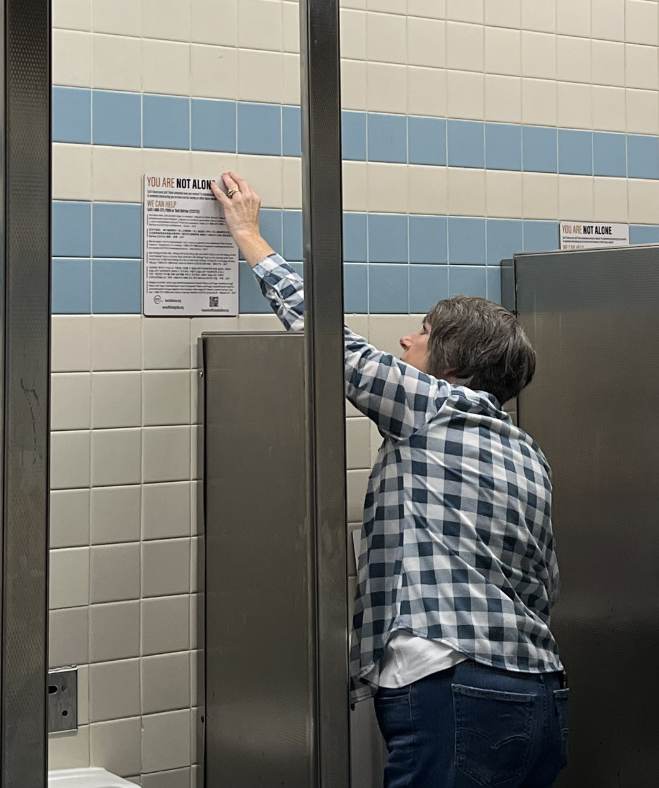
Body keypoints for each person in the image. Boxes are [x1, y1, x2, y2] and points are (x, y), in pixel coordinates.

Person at [212, 172, 569, 788]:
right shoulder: (526, 449)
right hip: (539, 693)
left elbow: (334, 345)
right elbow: (545, 583)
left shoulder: (434, 406)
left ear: (451, 366)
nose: (406, 339)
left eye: (423, 335)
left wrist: (249, 235)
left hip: (453, 686)